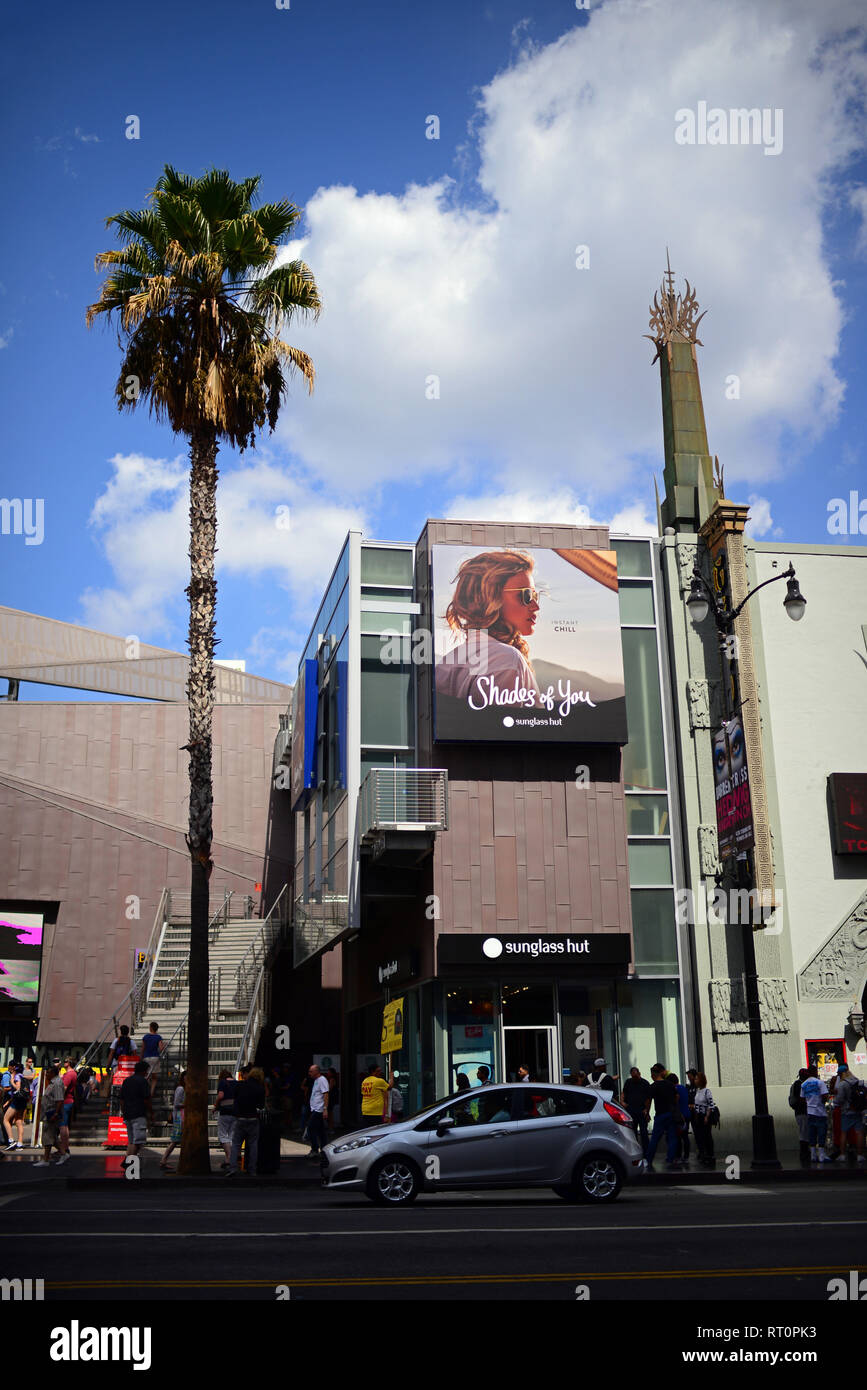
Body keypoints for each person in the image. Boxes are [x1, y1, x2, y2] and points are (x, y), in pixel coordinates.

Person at [436, 550, 543, 707]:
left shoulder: (446, 663)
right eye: (526, 595)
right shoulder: (506, 659)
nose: (536, 606)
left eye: (535, 596)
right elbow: (497, 729)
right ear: (492, 597)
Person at [227, 1066, 266, 1176]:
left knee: (236, 1144)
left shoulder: (240, 1085)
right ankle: (252, 1169)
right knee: (253, 1144)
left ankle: (233, 1168)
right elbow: (261, 1105)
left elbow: (235, 1098)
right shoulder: (260, 1088)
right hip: (253, 1117)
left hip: (240, 1117)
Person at [644, 1063, 681, 1170]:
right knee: (672, 1137)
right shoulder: (669, 1084)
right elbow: (677, 1096)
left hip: (660, 1115)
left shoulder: (653, 1086)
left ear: (653, 1075)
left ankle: (649, 1159)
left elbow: (648, 1101)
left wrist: (647, 1113)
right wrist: (674, 1105)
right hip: (670, 1113)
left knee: (655, 1138)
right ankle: (670, 1159)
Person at [832, 1064, 866, 1163]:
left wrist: (836, 1099)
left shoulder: (843, 1084)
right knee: (859, 1133)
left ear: (842, 1073)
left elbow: (839, 1100)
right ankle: (860, 1155)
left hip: (846, 1112)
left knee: (844, 1133)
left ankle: (842, 1155)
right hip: (858, 1111)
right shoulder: (857, 1081)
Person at [120, 1060, 152, 1164]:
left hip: (128, 1113)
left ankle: (129, 1163)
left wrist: (123, 1111)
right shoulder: (143, 1082)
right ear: (143, 1071)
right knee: (137, 1141)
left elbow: (122, 1099)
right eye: (146, 1071)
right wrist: (151, 1113)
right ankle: (129, 1162)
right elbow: (146, 1099)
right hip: (139, 1114)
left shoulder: (127, 1081)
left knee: (131, 1140)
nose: (147, 1073)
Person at [34, 1065, 65, 1166]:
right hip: (48, 1113)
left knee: (47, 1136)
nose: (46, 1074)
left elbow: (59, 1100)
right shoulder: (52, 1082)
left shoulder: (56, 1083)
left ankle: (46, 1159)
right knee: (52, 1137)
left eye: (48, 1072)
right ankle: (64, 1154)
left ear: (53, 1073)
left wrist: (55, 1113)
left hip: (51, 1113)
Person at [800, 1065, 831, 1162]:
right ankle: (821, 1155)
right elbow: (825, 1096)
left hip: (810, 1112)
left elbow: (802, 1099)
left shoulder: (804, 1084)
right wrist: (821, 1102)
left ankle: (813, 1155)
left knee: (812, 1134)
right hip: (820, 1112)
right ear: (815, 1072)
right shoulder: (819, 1083)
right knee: (821, 1133)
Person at [621, 1066, 651, 1151]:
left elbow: (649, 1099)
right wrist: (622, 1101)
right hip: (631, 1111)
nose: (635, 1078)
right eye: (633, 1076)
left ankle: (646, 1151)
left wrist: (647, 1110)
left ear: (639, 1074)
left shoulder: (645, 1083)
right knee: (632, 1133)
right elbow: (624, 1092)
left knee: (644, 1132)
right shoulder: (628, 1082)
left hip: (642, 1111)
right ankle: (635, 1149)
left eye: (636, 1076)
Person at [160, 1071, 185, 1170]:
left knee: (177, 1140)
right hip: (179, 1117)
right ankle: (163, 1160)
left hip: (182, 1116)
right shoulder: (181, 1088)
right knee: (175, 1140)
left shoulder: (184, 1088)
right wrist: (188, 1104)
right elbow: (176, 1104)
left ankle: (164, 1160)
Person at [690, 1071, 716, 1166]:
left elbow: (711, 1105)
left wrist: (707, 1116)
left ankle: (710, 1155)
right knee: (700, 1136)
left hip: (705, 1116)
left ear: (701, 1080)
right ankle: (704, 1155)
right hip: (698, 1116)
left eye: (696, 1079)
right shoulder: (697, 1091)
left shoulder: (707, 1091)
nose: (695, 1080)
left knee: (707, 1136)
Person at [213, 1068, 237, 1167]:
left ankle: (229, 1157)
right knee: (231, 1135)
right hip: (235, 1111)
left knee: (222, 1135)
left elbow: (221, 1096)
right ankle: (229, 1159)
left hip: (225, 1111)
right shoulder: (236, 1083)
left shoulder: (222, 1083)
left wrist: (215, 1106)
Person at [788, 1067, 811, 1166]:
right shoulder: (801, 1085)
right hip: (802, 1111)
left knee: (803, 1132)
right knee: (804, 1132)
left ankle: (805, 1152)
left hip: (799, 1112)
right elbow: (802, 1099)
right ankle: (804, 1152)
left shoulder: (796, 1084)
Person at [3, 1068, 29, 1150]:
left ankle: (11, 1141)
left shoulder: (17, 1077)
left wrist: (11, 1081)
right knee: (18, 1121)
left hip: (17, 1101)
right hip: (23, 1101)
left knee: (5, 1119)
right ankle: (20, 1143)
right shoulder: (23, 1076)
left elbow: (18, 1088)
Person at [307, 1064, 329, 1157]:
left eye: (311, 1071)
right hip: (315, 1109)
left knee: (310, 1129)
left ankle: (315, 1150)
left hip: (319, 1110)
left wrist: (325, 1109)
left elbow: (326, 1094)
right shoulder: (316, 1080)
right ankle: (324, 1151)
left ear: (317, 1071)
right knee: (321, 1131)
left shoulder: (322, 1080)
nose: (309, 1073)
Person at [669, 1072, 691, 1163]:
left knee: (678, 1137)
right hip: (687, 1114)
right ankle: (686, 1156)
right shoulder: (684, 1088)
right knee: (685, 1136)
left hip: (679, 1116)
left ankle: (678, 1156)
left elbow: (675, 1103)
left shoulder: (675, 1089)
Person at [140, 1023, 165, 1096]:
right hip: (155, 1057)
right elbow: (161, 1048)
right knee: (154, 1077)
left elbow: (143, 1048)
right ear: (157, 1029)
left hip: (146, 1057)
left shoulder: (145, 1037)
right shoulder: (158, 1037)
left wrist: (141, 1057)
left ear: (150, 1028)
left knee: (147, 1075)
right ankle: (151, 1092)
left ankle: (145, 1091)